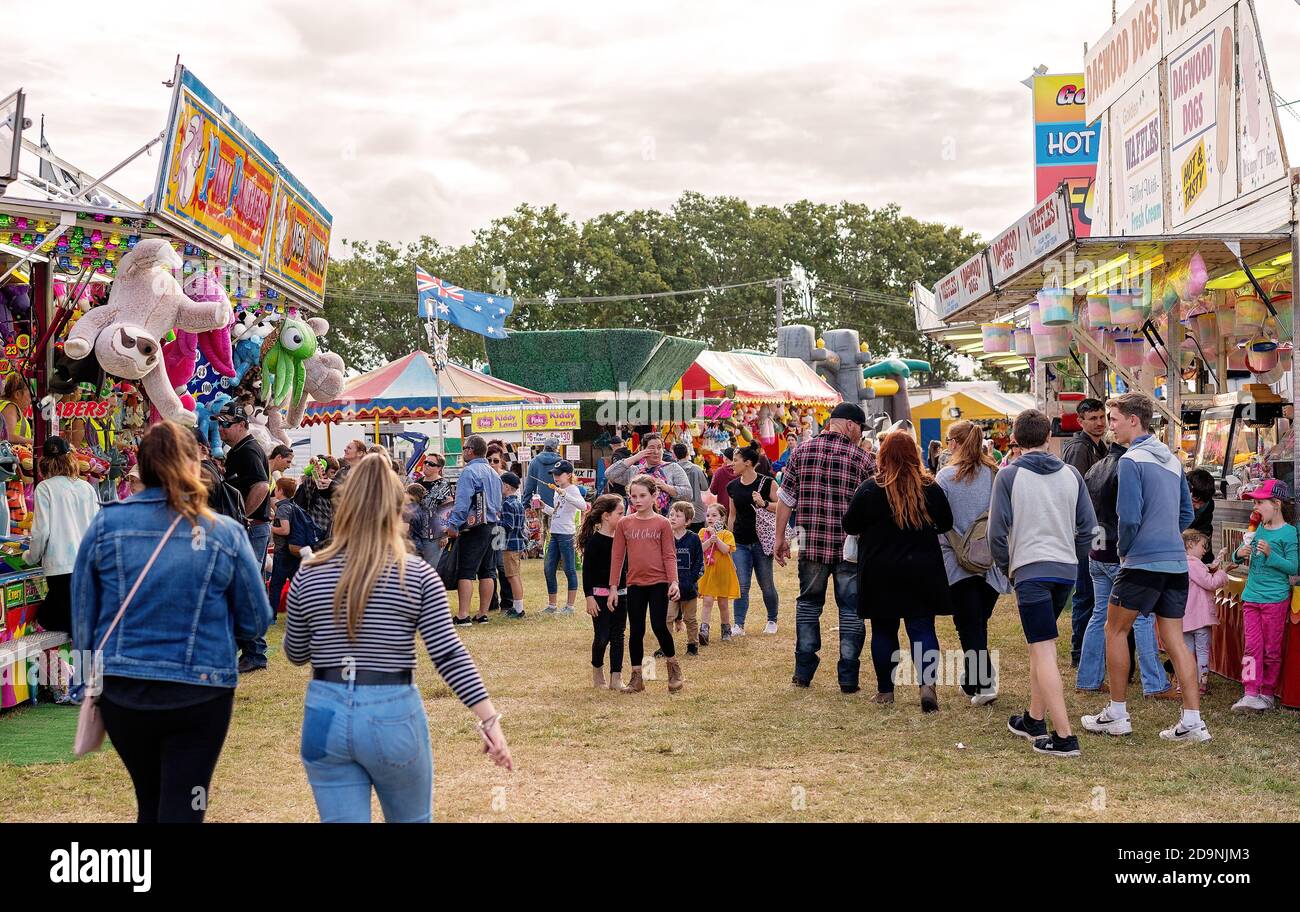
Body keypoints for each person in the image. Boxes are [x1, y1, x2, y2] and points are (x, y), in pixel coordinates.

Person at [285, 454, 511, 822]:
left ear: (343, 508)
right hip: (391, 708)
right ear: (398, 510)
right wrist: (489, 719)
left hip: (325, 711)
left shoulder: (310, 574)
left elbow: (296, 652)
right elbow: (448, 654)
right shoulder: (417, 574)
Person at [72, 421, 271, 822]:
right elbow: (256, 620)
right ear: (193, 465)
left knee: (150, 799)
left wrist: (84, 681)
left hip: (124, 690)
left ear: (141, 467)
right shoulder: (224, 533)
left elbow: (83, 616)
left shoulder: (106, 524)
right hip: (200, 690)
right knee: (185, 802)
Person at [1080, 392, 1209, 744]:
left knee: (1114, 630)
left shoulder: (1131, 460)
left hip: (1141, 561)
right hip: (1174, 563)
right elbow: (1187, 513)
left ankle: (1118, 713)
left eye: (1114, 418)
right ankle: (1193, 721)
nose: (1110, 425)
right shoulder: (1171, 459)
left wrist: (1124, 550)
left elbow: (1129, 517)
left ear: (1133, 420)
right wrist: (1168, 535)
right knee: (1174, 639)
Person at [989, 408, 1095, 758]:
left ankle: (1064, 736)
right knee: (1041, 645)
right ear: (1049, 436)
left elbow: (996, 534)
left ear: (1015, 440)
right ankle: (1034, 718)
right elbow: (1089, 530)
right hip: (1064, 569)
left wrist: (1008, 567)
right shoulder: (1072, 475)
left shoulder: (1008, 477)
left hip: (1030, 569)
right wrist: (1074, 557)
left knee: (1043, 649)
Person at [843, 431, 954, 712]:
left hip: (881, 570)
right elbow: (946, 522)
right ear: (914, 455)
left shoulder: (870, 489)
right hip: (922, 569)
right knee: (922, 628)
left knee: (883, 629)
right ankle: (927, 686)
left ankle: (885, 690)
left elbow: (850, 525)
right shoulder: (929, 487)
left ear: (883, 456)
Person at [775, 403, 874, 693]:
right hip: (850, 547)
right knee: (851, 609)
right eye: (859, 430)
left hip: (809, 543)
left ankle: (802, 672)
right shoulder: (862, 458)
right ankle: (848, 678)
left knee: (807, 605)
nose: (858, 435)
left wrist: (780, 538)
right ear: (851, 426)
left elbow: (786, 499)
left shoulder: (801, 452)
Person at [1075, 433, 1172, 700]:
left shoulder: (1095, 468)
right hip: (1121, 552)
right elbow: (1130, 515)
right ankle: (1154, 684)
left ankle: (1088, 679)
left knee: (1099, 616)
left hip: (1097, 549)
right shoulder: (1128, 466)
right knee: (1141, 618)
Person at [935, 421, 1007, 706]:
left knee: (969, 623)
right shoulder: (994, 474)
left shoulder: (946, 477)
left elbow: (938, 518)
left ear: (955, 443)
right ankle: (973, 678)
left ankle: (984, 682)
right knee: (977, 621)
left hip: (956, 559)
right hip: (990, 558)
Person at [609, 475, 682, 693]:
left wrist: (674, 581)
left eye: (642, 495)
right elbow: (617, 557)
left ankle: (674, 669)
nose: (637, 500)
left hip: (659, 582)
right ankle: (636, 678)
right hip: (635, 584)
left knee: (659, 626)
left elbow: (669, 554)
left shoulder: (662, 523)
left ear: (654, 496)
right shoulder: (624, 523)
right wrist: (613, 587)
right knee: (636, 630)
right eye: (633, 496)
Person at [1229, 479, 1297, 713]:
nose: (1255, 508)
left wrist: (1270, 554)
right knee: (1251, 647)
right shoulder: (1257, 529)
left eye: (1259, 503)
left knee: (1271, 649)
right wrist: (1239, 553)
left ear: (1276, 503)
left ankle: (1267, 693)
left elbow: (1293, 567)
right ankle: (1249, 692)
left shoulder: (1289, 533)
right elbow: (1238, 559)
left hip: (1275, 600)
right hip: (1251, 597)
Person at [217, 404, 273, 673]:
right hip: (252, 527)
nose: (221, 428)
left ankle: (255, 652)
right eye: (219, 423)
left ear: (242, 424)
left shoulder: (248, 450)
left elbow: (262, 485)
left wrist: (244, 517)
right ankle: (248, 649)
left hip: (253, 528)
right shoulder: (239, 451)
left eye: (226, 423)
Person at [29, 437, 100, 635]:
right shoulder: (86, 488)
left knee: (49, 621)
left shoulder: (45, 488)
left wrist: (31, 557)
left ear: (44, 462)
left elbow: (41, 532)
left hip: (60, 570)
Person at [1061, 398, 1108, 668]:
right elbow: (1077, 492)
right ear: (1080, 422)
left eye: (1102, 417)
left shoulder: (1099, 445)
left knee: (1093, 593)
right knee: (1086, 594)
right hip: (1086, 530)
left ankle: (1089, 650)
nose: (1099, 423)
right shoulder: (1080, 447)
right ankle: (1079, 652)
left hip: (1097, 527)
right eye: (1093, 419)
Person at [443, 435, 502, 625]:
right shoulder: (494, 473)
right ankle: (482, 613)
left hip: (474, 527)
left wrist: (453, 524)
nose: (462, 451)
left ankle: (463, 615)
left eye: (464, 448)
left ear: (470, 450)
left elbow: (462, 503)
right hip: (493, 525)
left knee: (466, 571)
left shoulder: (469, 472)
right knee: (488, 570)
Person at [727, 445, 781, 635]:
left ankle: (772, 620)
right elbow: (732, 516)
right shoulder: (732, 486)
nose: (732, 463)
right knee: (741, 584)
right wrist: (729, 539)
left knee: (766, 583)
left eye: (735, 460)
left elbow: (783, 507)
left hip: (762, 541)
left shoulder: (768, 483)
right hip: (740, 542)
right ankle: (739, 625)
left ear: (748, 463)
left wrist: (764, 503)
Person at [580, 494, 628, 689]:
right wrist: (589, 597)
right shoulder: (595, 541)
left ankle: (616, 677)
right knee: (602, 637)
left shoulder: (624, 539)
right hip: (599, 596)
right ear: (606, 516)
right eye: (620, 513)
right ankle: (597, 670)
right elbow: (587, 572)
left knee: (618, 635)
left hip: (622, 594)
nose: (624, 517)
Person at [535, 459, 585, 614]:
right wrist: (544, 507)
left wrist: (565, 494)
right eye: (554, 474)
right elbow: (557, 512)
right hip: (555, 533)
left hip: (567, 534)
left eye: (559, 474)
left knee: (569, 569)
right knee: (548, 568)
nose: (555, 477)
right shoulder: (557, 491)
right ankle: (552, 605)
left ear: (569, 475)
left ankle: (570, 606)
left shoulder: (573, 490)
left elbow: (583, 506)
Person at [1183, 530, 1226, 697]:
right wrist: (1223, 572)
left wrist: (1216, 565)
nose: (1205, 550)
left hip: (1185, 618)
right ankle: (1201, 685)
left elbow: (1203, 573)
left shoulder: (1183, 563)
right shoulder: (1193, 564)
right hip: (1200, 618)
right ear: (1191, 544)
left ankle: (1184, 684)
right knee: (1202, 652)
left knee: (1186, 653)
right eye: (1203, 546)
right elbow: (1210, 582)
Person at [604, 433, 688, 515]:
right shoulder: (635, 471)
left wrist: (666, 487)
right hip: (635, 523)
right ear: (643, 449)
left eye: (659, 448)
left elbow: (688, 493)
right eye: (651, 448)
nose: (656, 452)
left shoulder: (673, 468)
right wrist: (635, 457)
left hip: (664, 522)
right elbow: (609, 474)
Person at [666, 502, 704, 656]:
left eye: (678, 515)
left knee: (690, 619)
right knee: (668, 617)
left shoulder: (694, 539)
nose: (673, 518)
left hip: (689, 588)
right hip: (670, 587)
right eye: (671, 515)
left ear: (687, 521)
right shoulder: (666, 537)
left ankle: (692, 645)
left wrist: (691, 579)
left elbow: (699, 562)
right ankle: (666, 646)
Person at [697, 502, 738, 645]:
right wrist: (709, 539)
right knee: (707, 601)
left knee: (723, 603)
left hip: (723, 572)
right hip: (708, 573)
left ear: (722, 518)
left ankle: (726, 629)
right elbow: (700, 549)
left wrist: (717, 538)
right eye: (708, 515)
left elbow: (726, 550)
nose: (710, 518)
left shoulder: (727, 534)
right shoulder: (702, 533)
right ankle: (704, 630)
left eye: (714, 515)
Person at [269, 477, 303, 619]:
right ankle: (302, 614)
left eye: (276, 488)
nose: (275, 491)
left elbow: (285, 530)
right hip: (293, 551)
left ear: (280, 491)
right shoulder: (292, 506)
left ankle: (272, 616)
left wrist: (270, 527)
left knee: (276, 585)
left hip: (283, 552)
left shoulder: (282, 508)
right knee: (297, 585)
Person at [499, 472, 527, 619]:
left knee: (513, 577)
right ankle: (518, 607)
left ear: (506, 486)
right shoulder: (518, 504)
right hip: (517, 542)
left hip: (510, 544)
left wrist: (497, 522)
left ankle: (518, 608)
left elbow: (508, 525)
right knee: (514, 576)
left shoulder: (507, 504)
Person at [295, 456, 339, 546]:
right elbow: (315, 478)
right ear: (324, 470)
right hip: (316, 527)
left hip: (326, 528)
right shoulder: (315, 483)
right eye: (332, 472)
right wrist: (317, 463)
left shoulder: (332, 485)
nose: (334, 475)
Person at [522, 437, 563, 520]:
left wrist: (525, 504)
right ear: (556, 448)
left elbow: (529, 486)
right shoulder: (561, 463)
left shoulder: (534, 462)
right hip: (558, 507)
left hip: (539, 506)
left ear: (544, 447)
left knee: (541, 531)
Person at [671, 443, 709, 533]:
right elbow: (705, 487)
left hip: (678, 511)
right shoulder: (696, 469)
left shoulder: (672, 469)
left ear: (674, 455)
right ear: (687, 453)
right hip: (697, 511)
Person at [0, 372, 32, 445]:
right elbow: (8, 436)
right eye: (29, 396)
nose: (30, 401)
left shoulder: (3, 405)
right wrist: (34, 442)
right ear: (17, 394)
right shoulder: (11, 407)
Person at [708, 447, 738, 512]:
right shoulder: (740, 470)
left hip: (723, 508)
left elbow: (713, 490)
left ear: (726, 458)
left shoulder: (719, 471)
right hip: (738, 506)